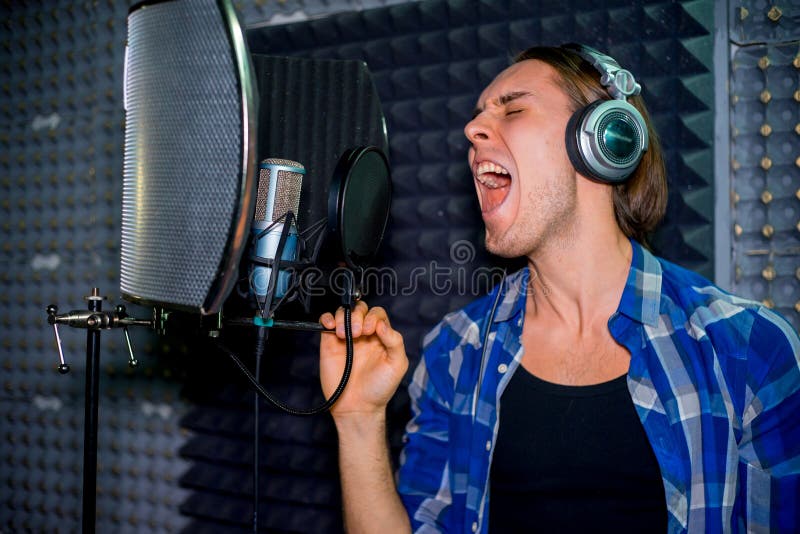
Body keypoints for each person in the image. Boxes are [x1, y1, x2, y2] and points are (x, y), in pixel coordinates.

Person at [319, 43, 800, 533]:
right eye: (478, 115)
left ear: (603, 140)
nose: (472, 129)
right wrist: (359, 418)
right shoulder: (457, 350)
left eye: (512, 109)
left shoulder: (746, 349)